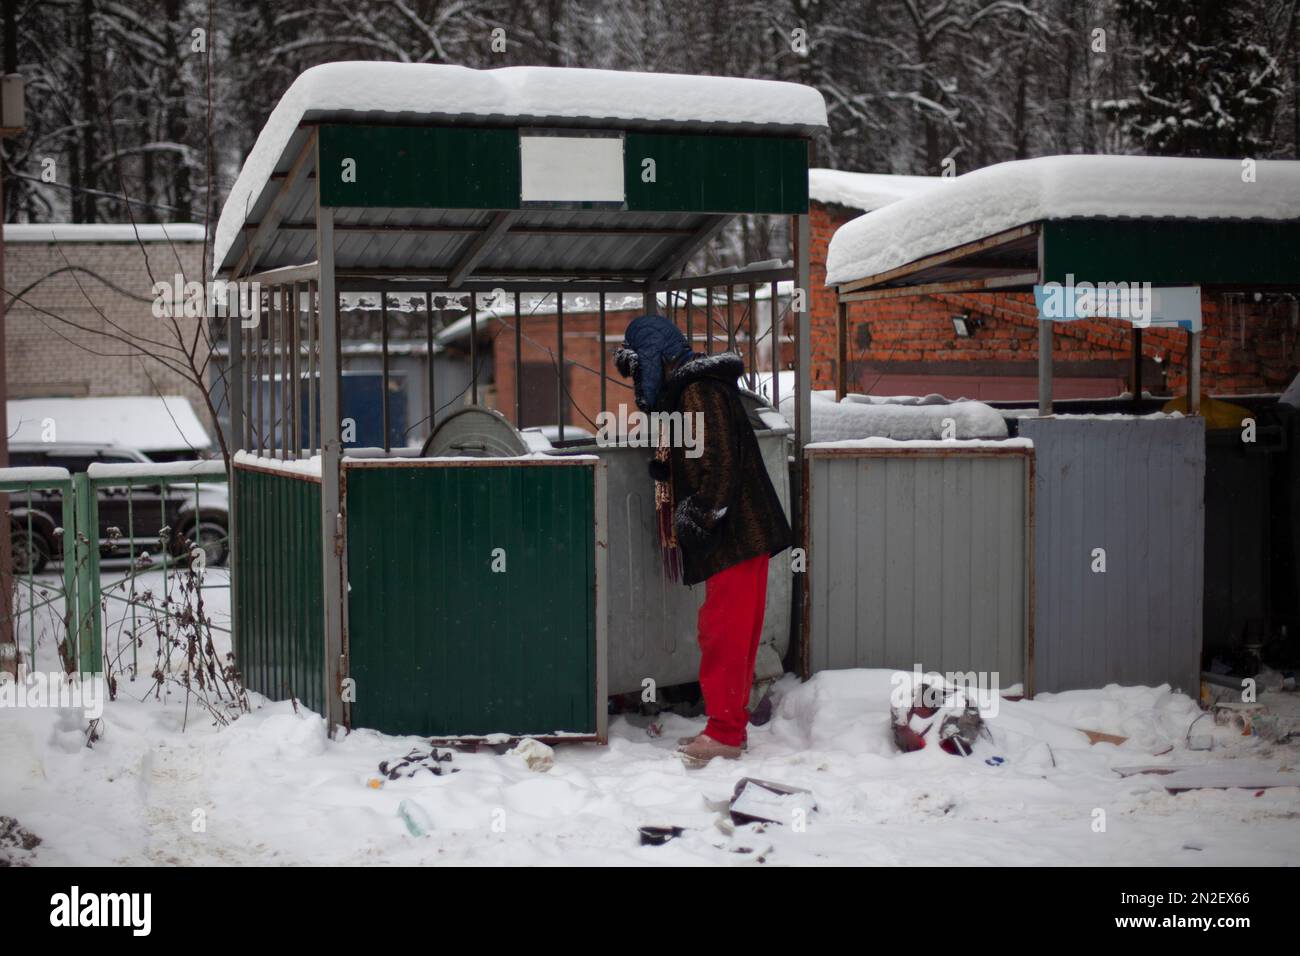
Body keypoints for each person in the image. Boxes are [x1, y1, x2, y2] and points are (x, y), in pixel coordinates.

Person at [614, 314, 791, 767]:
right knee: (735, 632)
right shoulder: (698, 389)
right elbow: (699, 453)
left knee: (723, 634)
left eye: (639, 367)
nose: (638, 378)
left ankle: (725, 733)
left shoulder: (699, 391)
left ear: (655, 359)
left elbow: (719, 463)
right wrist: (668, 468)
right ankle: (729, 725)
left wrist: (701, 517)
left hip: (734, 534)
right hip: (743, 533)